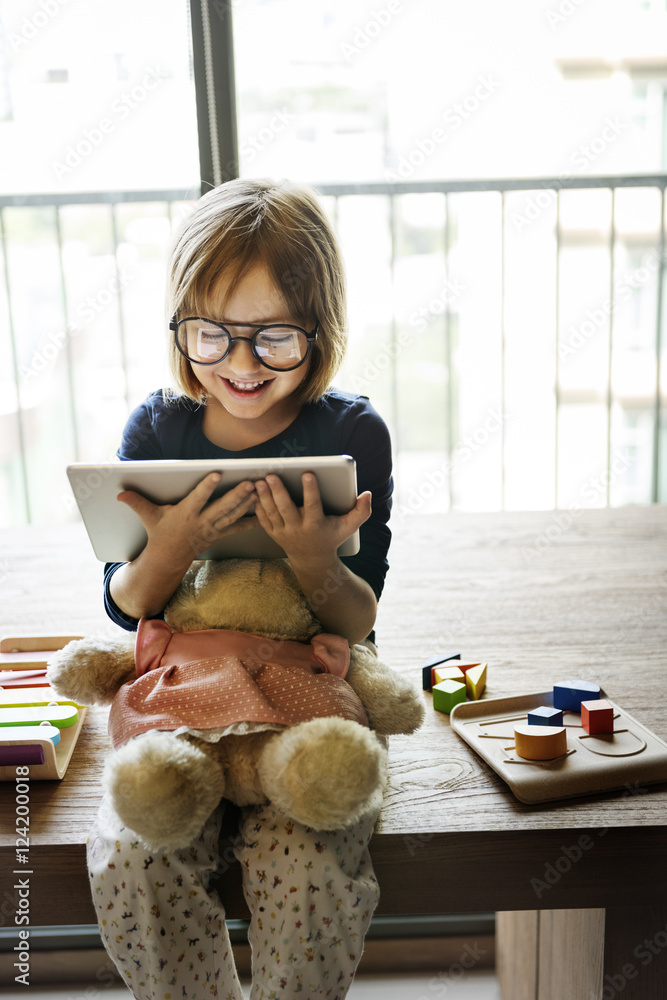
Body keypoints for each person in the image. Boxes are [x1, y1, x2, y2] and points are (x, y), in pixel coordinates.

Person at [88, 177, 393, 999]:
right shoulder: (157, 427)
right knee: (135, 849)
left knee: (312, 854)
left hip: (303, 692)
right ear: (180, 327)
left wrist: (315, 565)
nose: (243, 364)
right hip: (181, 695)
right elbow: (126, 604)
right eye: (212, 335)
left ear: (319, 330)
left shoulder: (350, 432)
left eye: (275, 338)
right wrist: (173, 546)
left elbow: (358, 617)